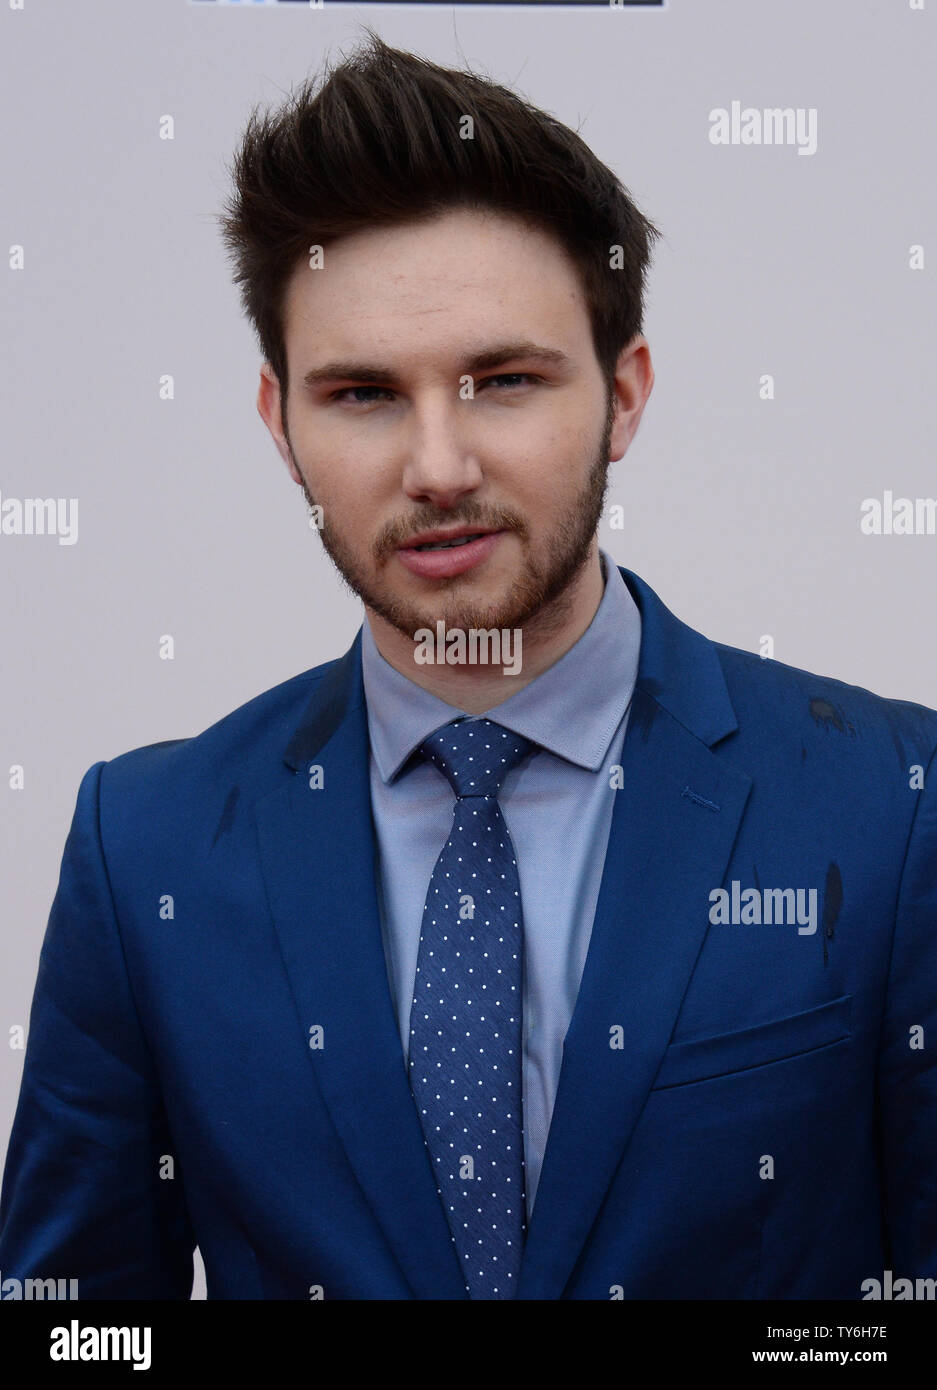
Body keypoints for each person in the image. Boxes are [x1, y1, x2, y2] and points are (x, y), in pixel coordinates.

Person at [1, 31, 934, 1301]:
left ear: (625, 392)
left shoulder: (891, 805)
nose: (438, 467)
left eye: (502, 381)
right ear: (281, 424)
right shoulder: (146, 847)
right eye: (365, 395)